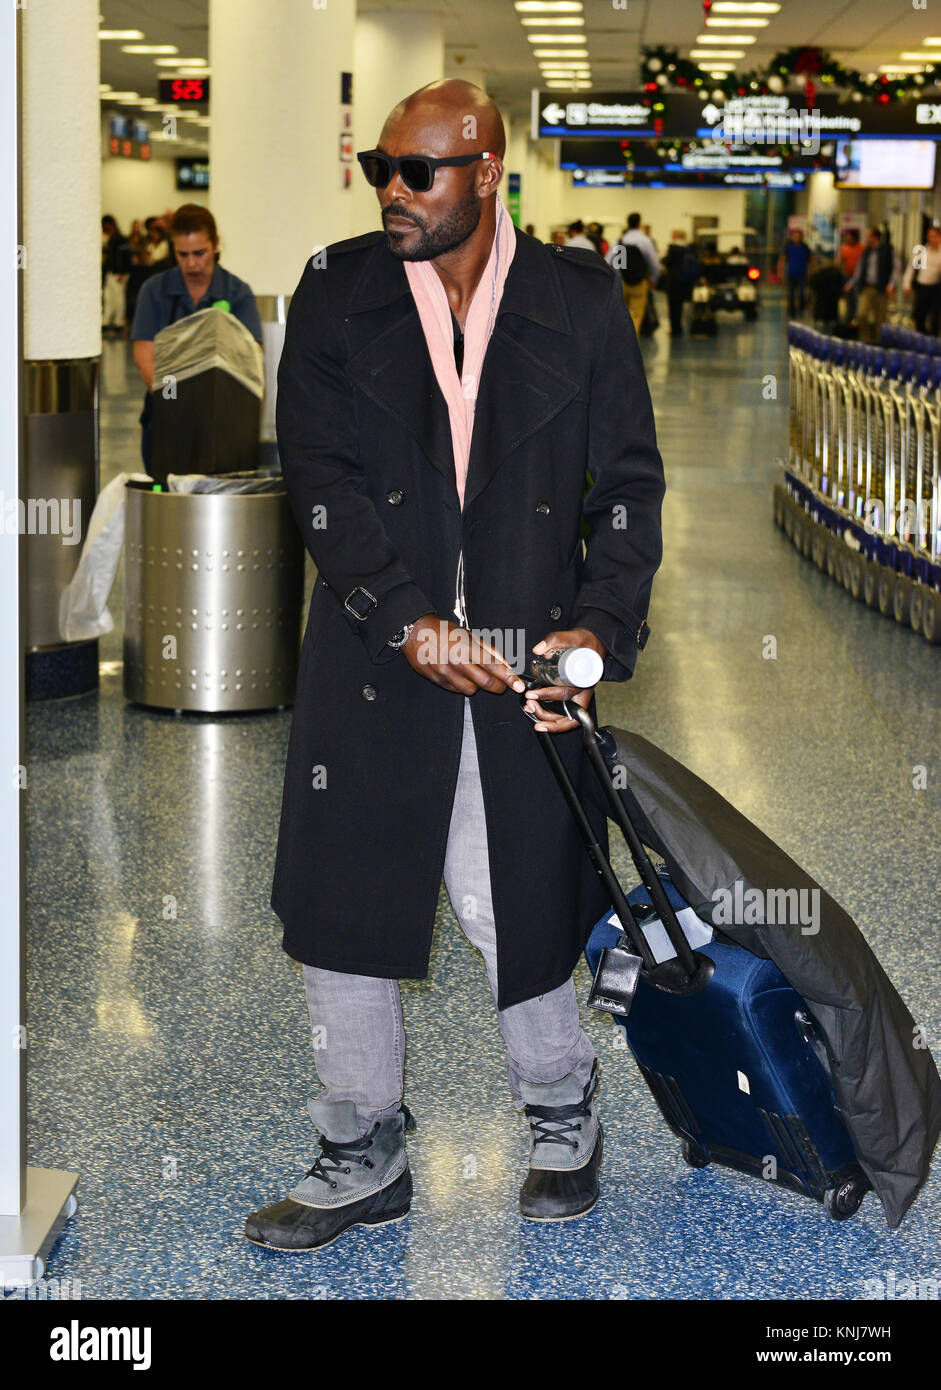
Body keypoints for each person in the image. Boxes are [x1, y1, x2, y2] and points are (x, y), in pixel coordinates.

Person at [245, 77, 665, 1252]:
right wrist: (404, 617)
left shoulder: (579, 302)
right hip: (381, 648)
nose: (390, 190)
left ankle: (559, 1109)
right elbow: (317, 475)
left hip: (521, 659)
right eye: (380, 166)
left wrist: (596, 624)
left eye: (416, 171)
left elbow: (627, 489)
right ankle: (358, 1146)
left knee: (510, 893)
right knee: (344, 905)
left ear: (484, 174)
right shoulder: (338, 292)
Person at [130, 203, 262, 470]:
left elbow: (251, 359)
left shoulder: (238, 293)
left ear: (214, 244)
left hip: (225, 424)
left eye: (199, 253)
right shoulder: (154, 291)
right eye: (183, 255)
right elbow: (145, 358)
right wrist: (177, 400)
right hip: (167, 419)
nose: (192, 264)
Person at [606, 212, 660, 338]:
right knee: (635, 315)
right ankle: (630, 345)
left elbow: (610, 261)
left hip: (622, 282)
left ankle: (618, 341)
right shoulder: (645, 241)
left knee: (621, 314)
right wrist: (654, 278)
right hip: (640, 282)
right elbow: (654, 263)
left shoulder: (620, 240)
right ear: (640, 223)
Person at [846, 227, 899, 344]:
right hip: (867, 287)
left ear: (874, 237)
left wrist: (891, 284)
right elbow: (859, 269)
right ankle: (865, 339)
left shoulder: (888, 250)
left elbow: (896, 268)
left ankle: (879, 342)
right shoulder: (866, 252)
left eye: (868, 235)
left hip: (881, 288)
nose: (865, 238)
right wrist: (852, 283)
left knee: (881, 318)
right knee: (862, 314)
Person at [902, 224, 941, 337]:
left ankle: (933, 340)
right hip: (922, 287)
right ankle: (921, 338)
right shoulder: (922, 252)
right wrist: (907, 284)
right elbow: (911, 268)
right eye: (930, 236)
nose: (931, 239)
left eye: (934, 236)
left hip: (936, 287)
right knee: (919, 315)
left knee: (935, 317)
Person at [660, 230, 698, 337]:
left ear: (676, 236)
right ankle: (682, 326)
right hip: (686, 280)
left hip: (673, 281)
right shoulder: (690, 248)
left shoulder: (673, 248)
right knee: (681, 304)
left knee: (673, 306)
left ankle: (675, 329)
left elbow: (667, 262)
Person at [101, 215, 131, 335]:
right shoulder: (112, 238)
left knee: (118, 298)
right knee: (109, 298)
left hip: (118, 273)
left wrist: (121, 272)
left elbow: (122, 257)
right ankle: (107, 320)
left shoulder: (119, 239)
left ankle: (119, 321)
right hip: (111, 271)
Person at [777, 227, 812, 319]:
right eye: (795, 236)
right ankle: (791, 312)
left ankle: (801, 310)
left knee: (801, 294)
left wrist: (811, 272)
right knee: (791, 294)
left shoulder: (805, 248)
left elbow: (811, 261)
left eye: (798, 236)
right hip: (791, 274)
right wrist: (780, 273)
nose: (796, 238)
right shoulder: (789, 247)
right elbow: (782, 260)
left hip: (802, 274)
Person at [809, 259, 845, 334]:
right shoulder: (836, 274)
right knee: (831, 325)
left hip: (820, 307)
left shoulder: (817, 275)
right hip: (832, 308)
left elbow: (813, 287)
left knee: (821, 325)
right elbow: (840, 288)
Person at [838, 228, 863, 323]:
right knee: (848, 298)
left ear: (854, 238)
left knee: (856, 297)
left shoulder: (862, 248)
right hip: (846, 276)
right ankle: (849, 316)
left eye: (849, 238)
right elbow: (840, 261)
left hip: (857, 277)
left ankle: (855, 317)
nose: (847, 239)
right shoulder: (844, 248)